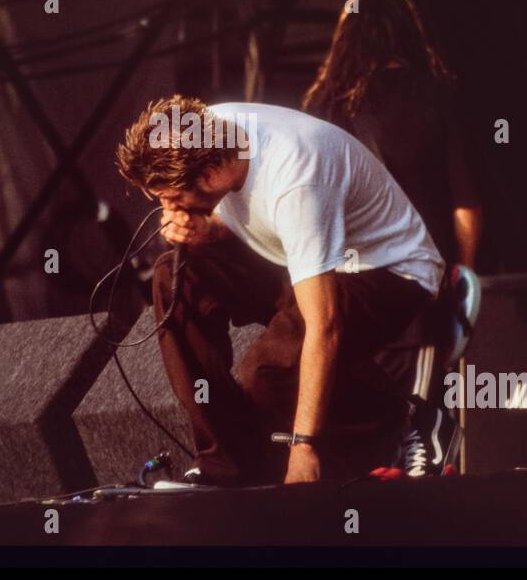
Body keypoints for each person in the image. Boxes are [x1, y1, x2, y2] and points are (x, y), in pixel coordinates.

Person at [115, 95, 448, 485]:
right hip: (297, 260)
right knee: (173, 275)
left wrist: (303, 446)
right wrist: (209, 231)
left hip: (388, 273)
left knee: (268, 374)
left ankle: (403, 417)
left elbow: (325, 325)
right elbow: (257, 223)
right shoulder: (210, 129)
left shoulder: (296, 177)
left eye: (172, 199)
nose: (169, 211)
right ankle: (226, 463)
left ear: (208, 178)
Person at [301, 0, 482, 270]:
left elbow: (312, 205)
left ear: (347, 40)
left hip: (361, 272)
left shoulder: (327, 103)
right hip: (427, 267)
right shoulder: (439, 96)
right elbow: (466, 204)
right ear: (410, 34)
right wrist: (463, 273)